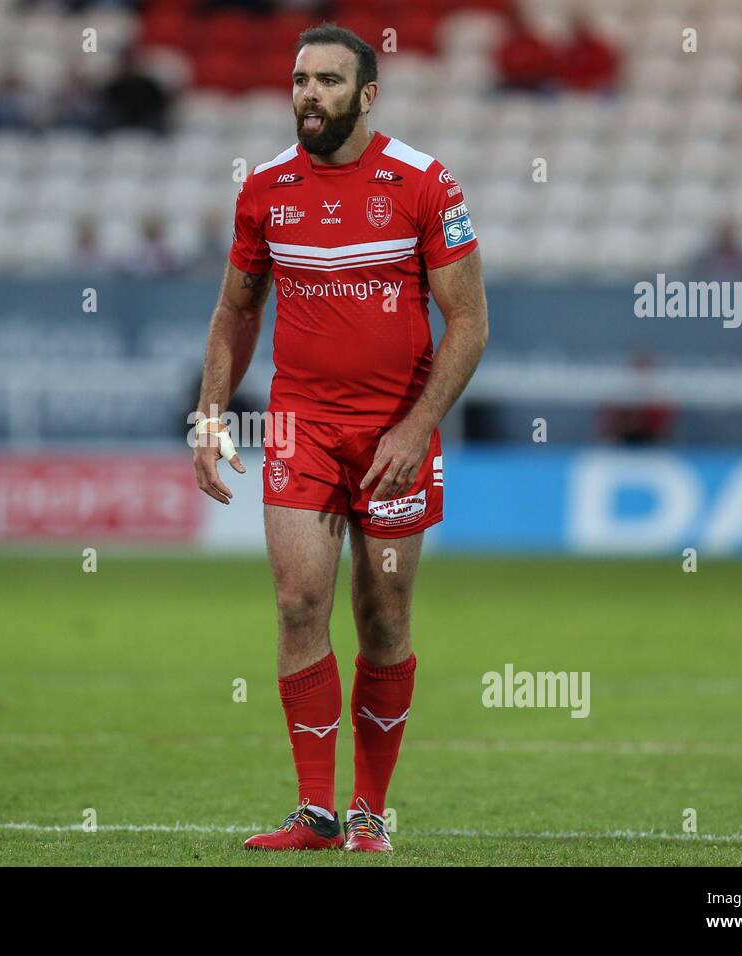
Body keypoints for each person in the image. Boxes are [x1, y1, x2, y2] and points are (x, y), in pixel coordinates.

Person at [192, 23, 488, 852]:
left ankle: (370, 810)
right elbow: (235, 310)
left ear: (367, 94)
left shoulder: (425, 184)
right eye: (298, 80)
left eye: (326, 80)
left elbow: (469, 324)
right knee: (296, 605)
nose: (307, 94)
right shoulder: (265, 191)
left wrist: (418, 425)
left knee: (384, 617)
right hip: (299, 426)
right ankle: (316, 813)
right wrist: (211, 414)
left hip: (397, 433)